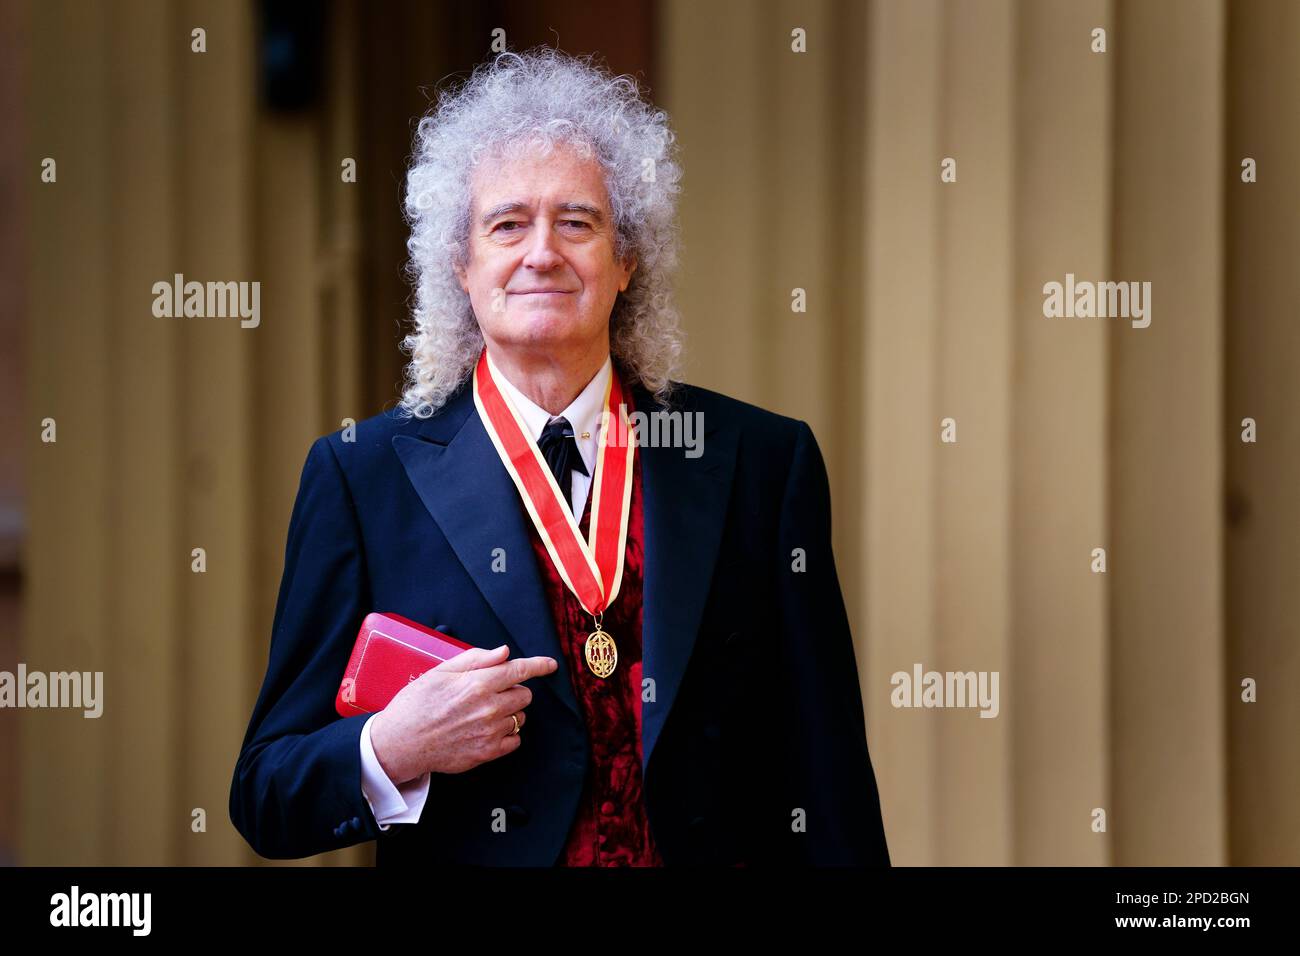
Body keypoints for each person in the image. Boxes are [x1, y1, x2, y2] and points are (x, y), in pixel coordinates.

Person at [229, 47, 889, 866]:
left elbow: (829, 782)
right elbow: (265, 793)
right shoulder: (362, 476)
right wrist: (392, 746)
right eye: (507, 224)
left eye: (577, 222)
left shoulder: (762, 463)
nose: (543, 252)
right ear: (462, 267)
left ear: (626, 261)